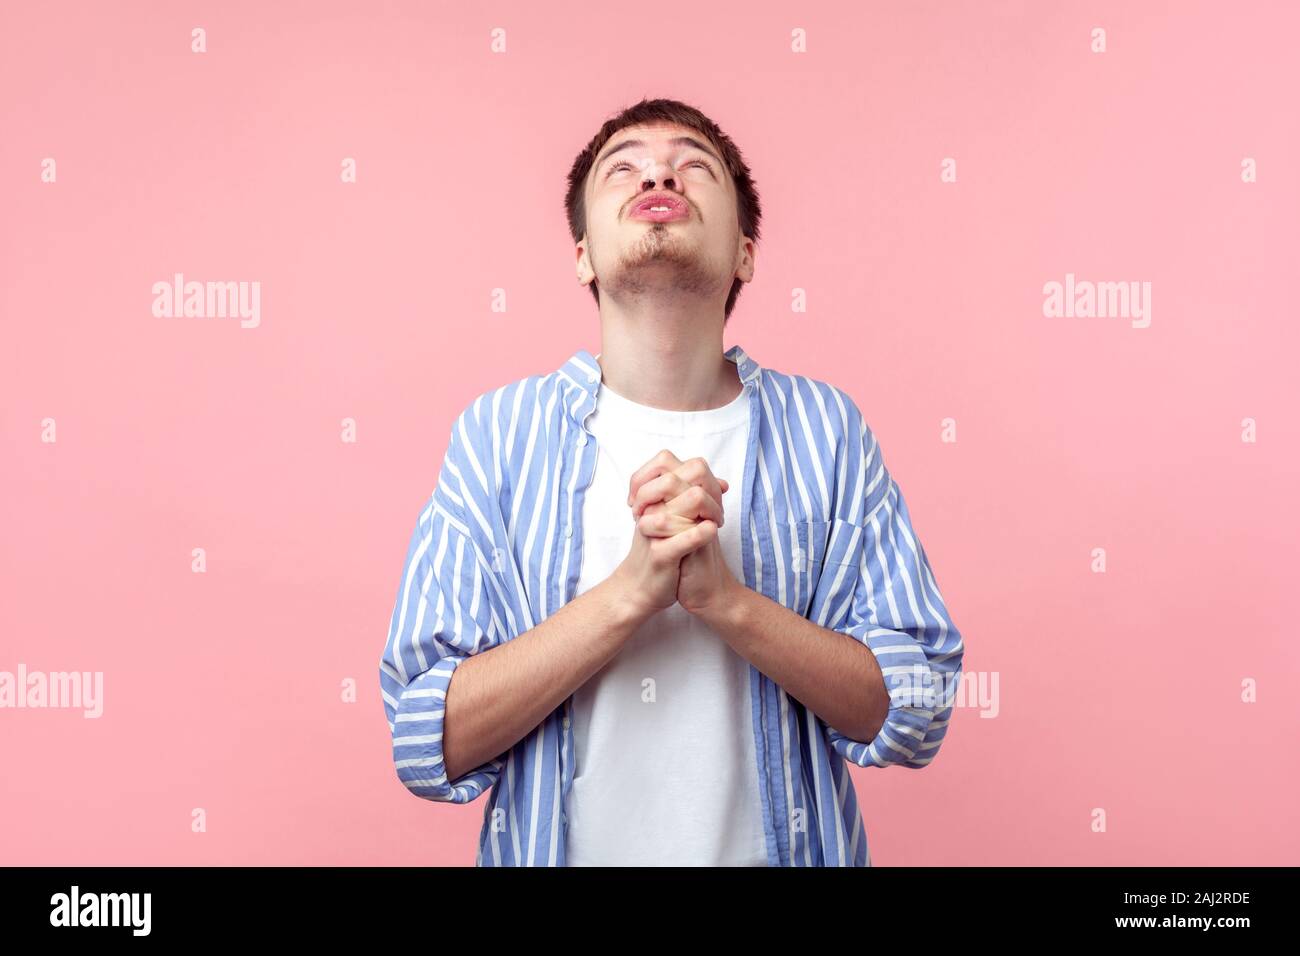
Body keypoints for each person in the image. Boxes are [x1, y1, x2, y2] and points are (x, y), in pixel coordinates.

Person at [379, 97, 964, 866]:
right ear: (584, 254)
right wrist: (629, 594)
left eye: (695, 165)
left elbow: (921, 702)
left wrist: (728, 603)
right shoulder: (497, 436)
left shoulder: (828, 431)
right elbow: (428, 737)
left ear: (746, 253)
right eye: (622, 168)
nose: (658, 171)